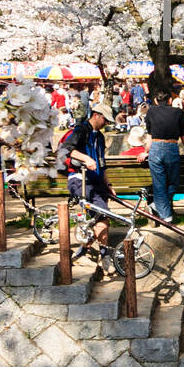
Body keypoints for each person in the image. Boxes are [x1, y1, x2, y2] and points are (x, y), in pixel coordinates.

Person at [56, 103, 115, 257]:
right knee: (103, 215)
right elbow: (67, 149)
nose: (106, 124)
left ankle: (86, 249)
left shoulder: (100, 137)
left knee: (101, 216)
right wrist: (86, 158)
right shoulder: (81, 130)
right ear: (96, 115)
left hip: (97, 181)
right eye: (105, 120)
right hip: (80, 179)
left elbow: (102, 163)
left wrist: (108, 184)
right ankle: (104, 255)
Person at [145, 90, 184, 223]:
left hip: (156, 148)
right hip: (171, 147)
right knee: (174, 183)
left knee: (159, 185)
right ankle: (166, 217)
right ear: (170, 100)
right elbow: (183, 134)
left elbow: (149, 134)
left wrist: (146, 151)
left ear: (156, 101)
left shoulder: (151, 111)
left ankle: (157, 206)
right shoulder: (177, 113)